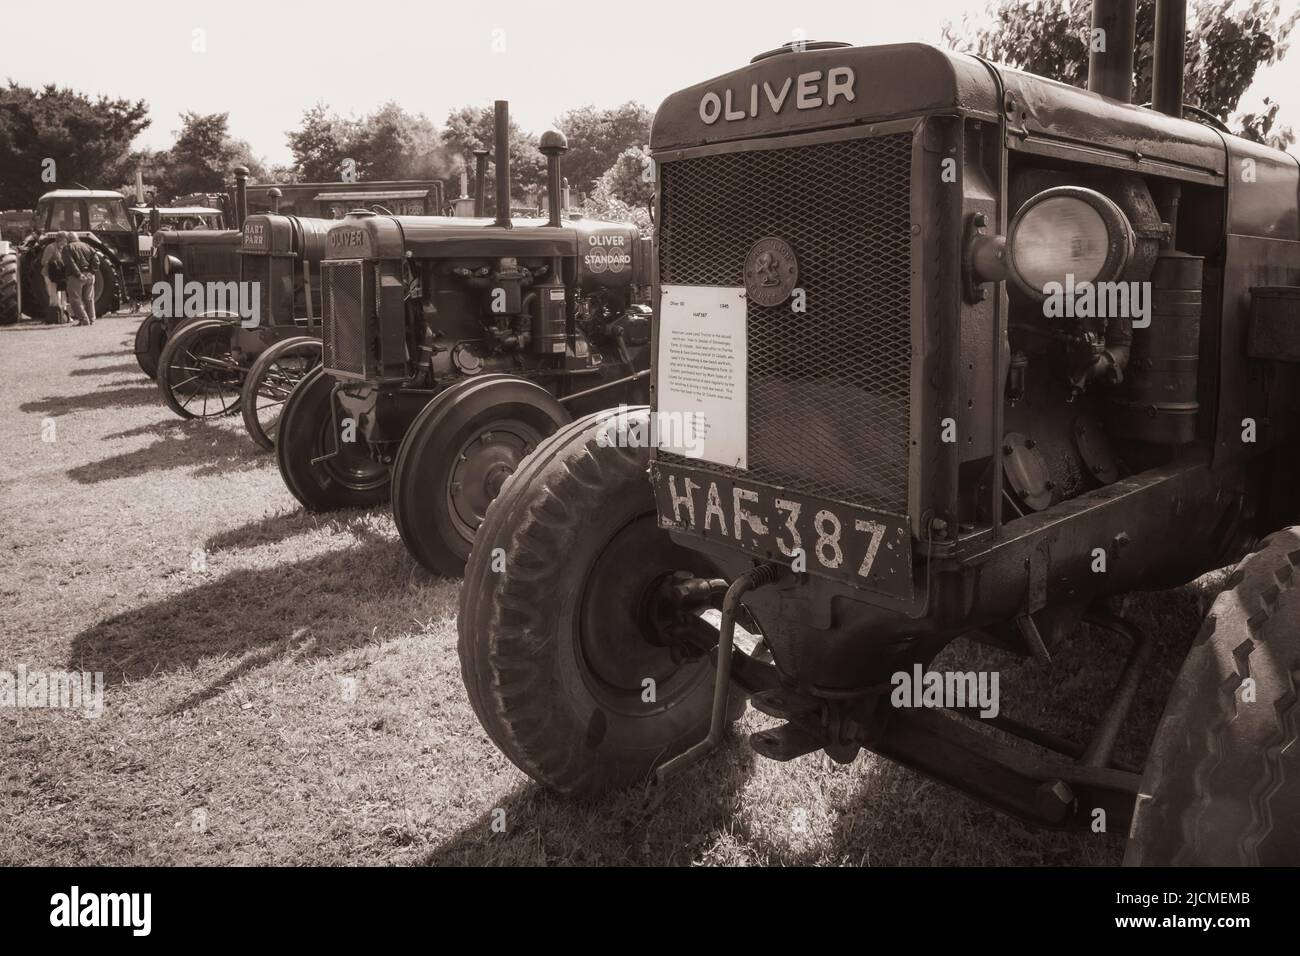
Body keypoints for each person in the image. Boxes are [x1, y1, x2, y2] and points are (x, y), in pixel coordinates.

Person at [60, 231, 100, 326]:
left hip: (75, 277)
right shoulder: (87, 245)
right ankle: (92, 319)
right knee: (89, 298)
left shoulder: (67, 248)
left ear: (67, 239)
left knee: (75, 299)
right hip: (90, 276)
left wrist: (78, 274)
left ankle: (83, 320)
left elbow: (70, 263)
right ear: (77, 237)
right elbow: (96, 260)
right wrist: (92, 272)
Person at [41, 236, 70, 325]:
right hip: (51, 275)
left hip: (60, 276)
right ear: (60, 240)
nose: (66, 243)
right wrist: (55, 263)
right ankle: (55, 317)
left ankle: (64, 316)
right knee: (53, 295)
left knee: (63, 295)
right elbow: (44, 262)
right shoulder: (51, 247)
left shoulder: (63, 248)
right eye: (65, 241)